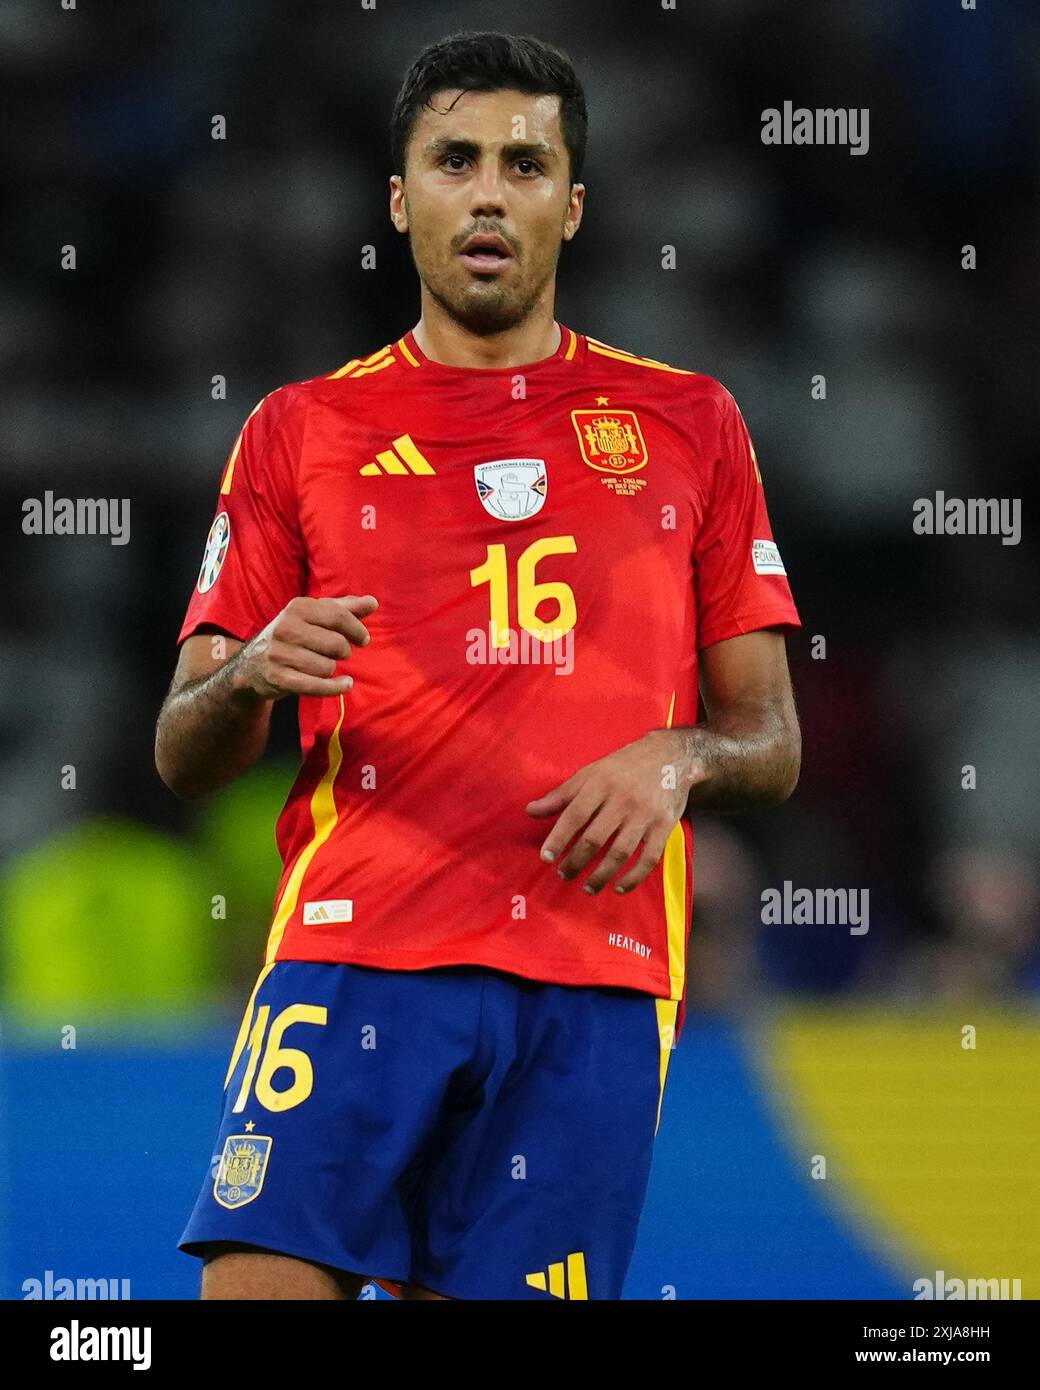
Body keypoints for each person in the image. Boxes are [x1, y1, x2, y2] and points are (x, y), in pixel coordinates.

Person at [155, 29, 802, 1301]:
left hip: (593, 982)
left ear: (573, 201)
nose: (490, 191)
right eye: (455, 160)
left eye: (524, 162)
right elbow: (183, 751)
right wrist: (244, 678)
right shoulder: (299, 429)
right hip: (352, 957)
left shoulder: (689, 423)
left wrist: (675, 759)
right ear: (400, 201)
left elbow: (768, 742)